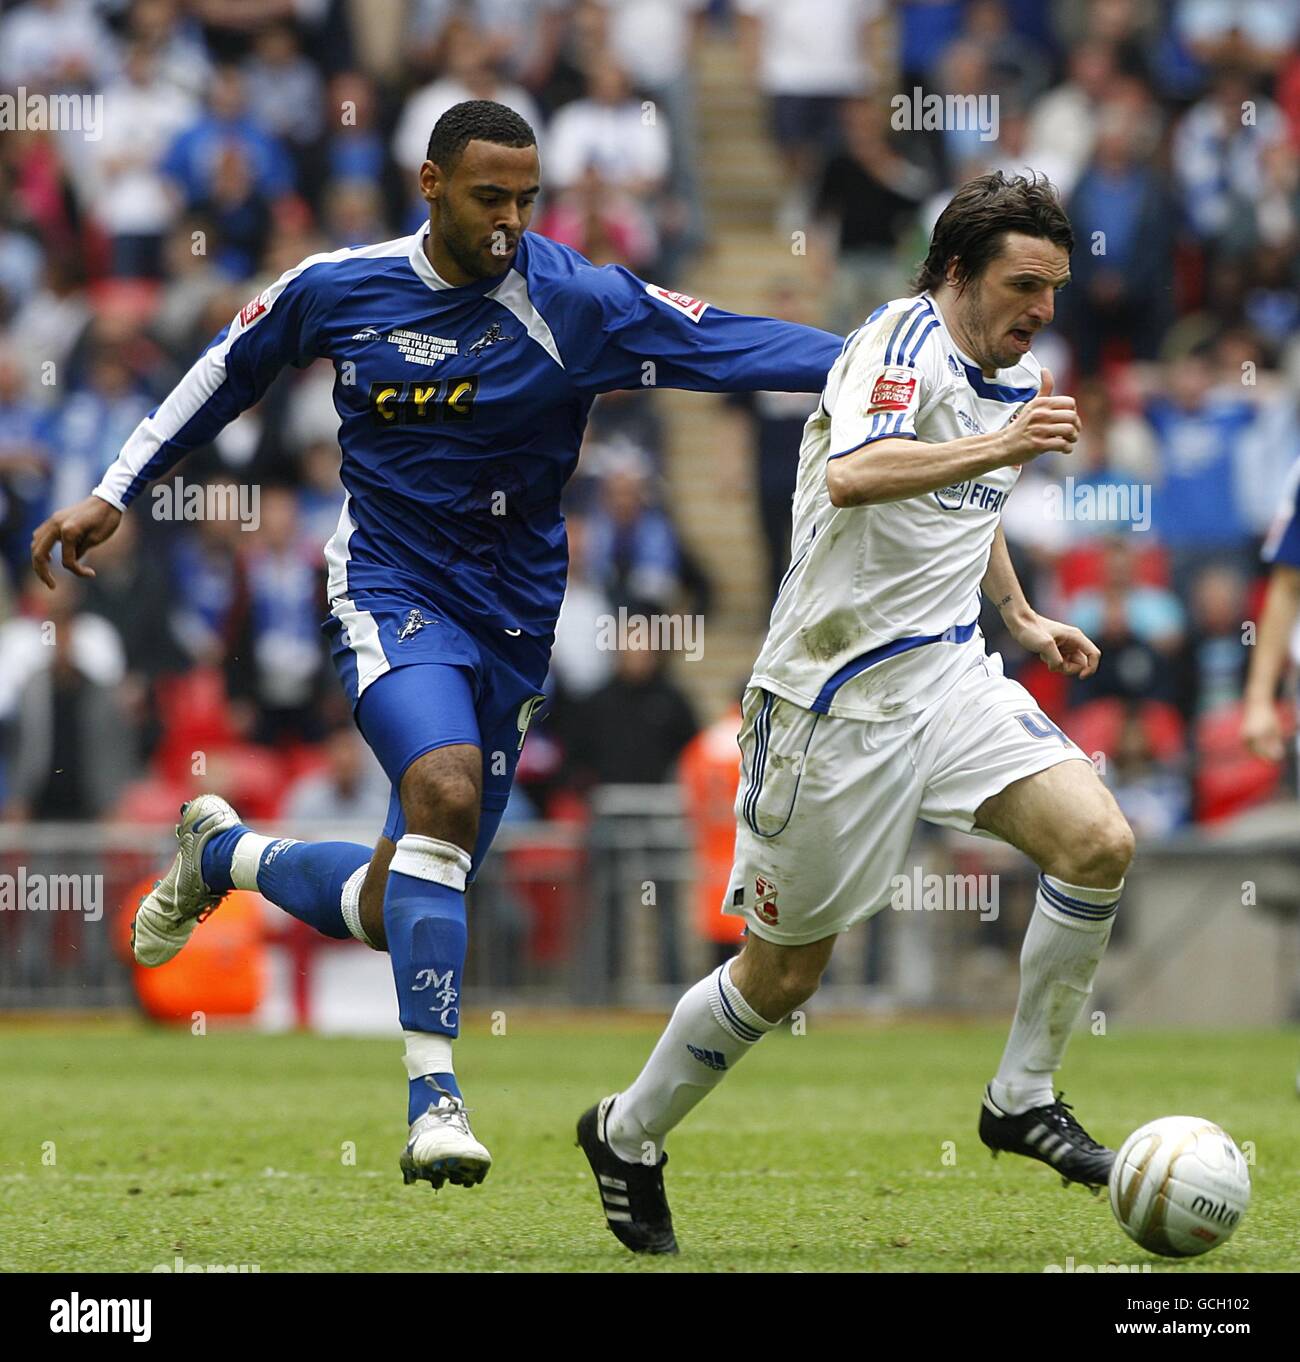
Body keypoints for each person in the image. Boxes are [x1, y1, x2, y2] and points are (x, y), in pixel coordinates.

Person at [31, 100, 842, 1197]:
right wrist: (114, 489)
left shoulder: (578, 300)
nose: (509, 221)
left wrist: (887, 371)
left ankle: (224, 857)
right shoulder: (340, 286)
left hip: (515, 616)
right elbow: (226, 370)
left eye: (525, 199)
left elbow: (731, 345)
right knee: (444, 794)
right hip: (389, 587)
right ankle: (435, 1101)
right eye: (486, 197)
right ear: (428, 183)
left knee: (397, 894)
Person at [577, 172, 1136, 1255]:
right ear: (959, 273)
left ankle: (1020, 1096)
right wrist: (1008, 446)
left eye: (1056, 291)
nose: (1041, 311)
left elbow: (964, 507)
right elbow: (859, 474)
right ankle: (627, 1133)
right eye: (1024, 285)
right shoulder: (896, 339)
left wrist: (1017, 616)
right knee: (783, 978)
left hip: (950, 676)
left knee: (1098, 841)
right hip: (831, 704)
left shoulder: (1004, 374)